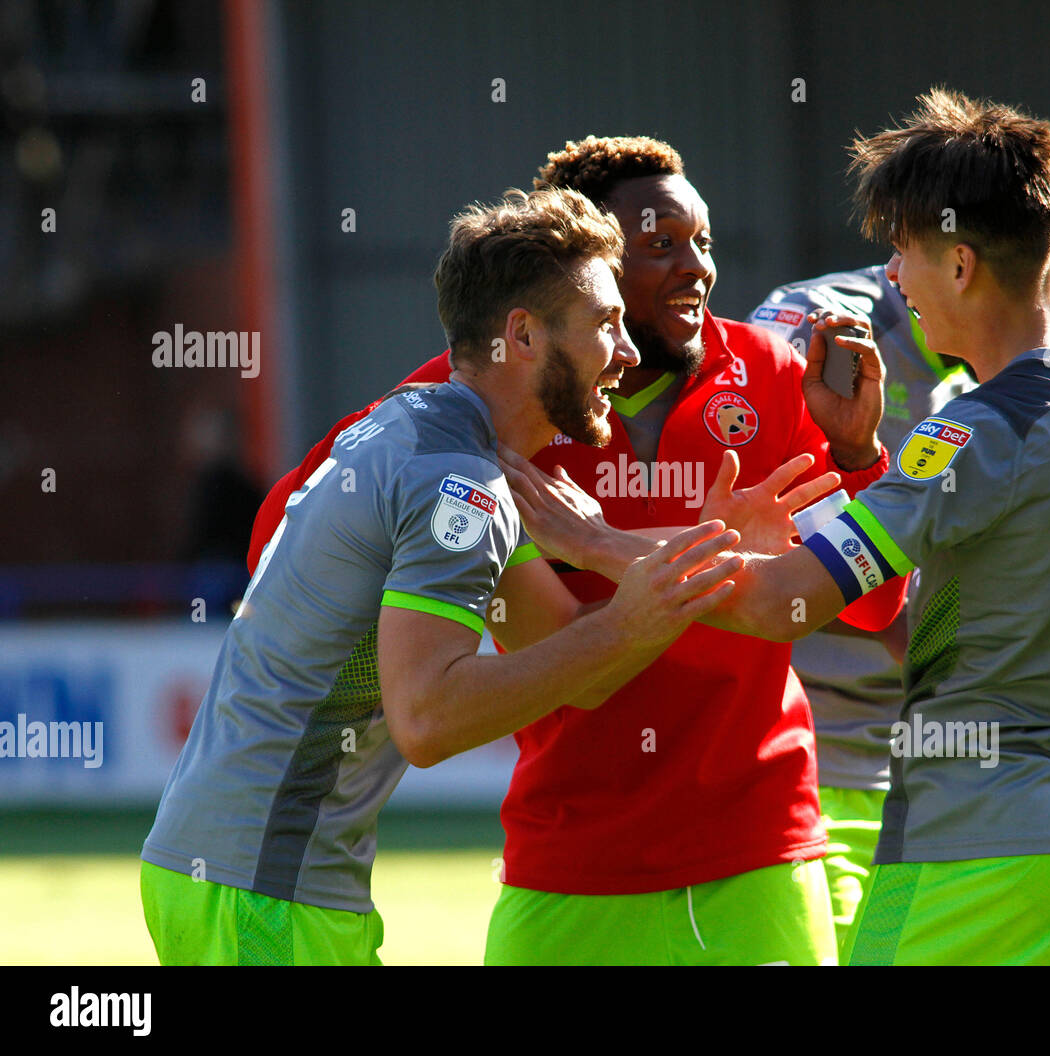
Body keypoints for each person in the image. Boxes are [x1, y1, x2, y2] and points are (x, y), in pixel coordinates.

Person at [512, 90, 1050, 966]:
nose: (893, 281)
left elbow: (780, 605)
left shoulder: (973, 432)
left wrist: (593, 543)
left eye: (903, 254)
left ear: (958, 265)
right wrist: (859, 460)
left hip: (980, 844)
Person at [244, 135, 905, 965]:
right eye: (659, 244)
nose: (696, 267)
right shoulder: (482, 399)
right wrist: (468, 591)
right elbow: (284, 528)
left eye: (701, 240)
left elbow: (876, 609)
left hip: (757, 850)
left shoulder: (770, 375)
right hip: (568, 856)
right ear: (585, 270)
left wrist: (856, 458)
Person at [139, 186, 744, 965]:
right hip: (267, 890)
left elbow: (564, 654)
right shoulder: (458, 481)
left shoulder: (430, 435)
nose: (626, 351)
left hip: (234, 874)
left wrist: (692, 557)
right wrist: (634, 619)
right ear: (522, 335)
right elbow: (426, 719)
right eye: (605, 322)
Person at [743, 173, 1050, 961]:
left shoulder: (1027, 398)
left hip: (955, 773)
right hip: (816, 755)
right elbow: (757, 534)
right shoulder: (817, 337)